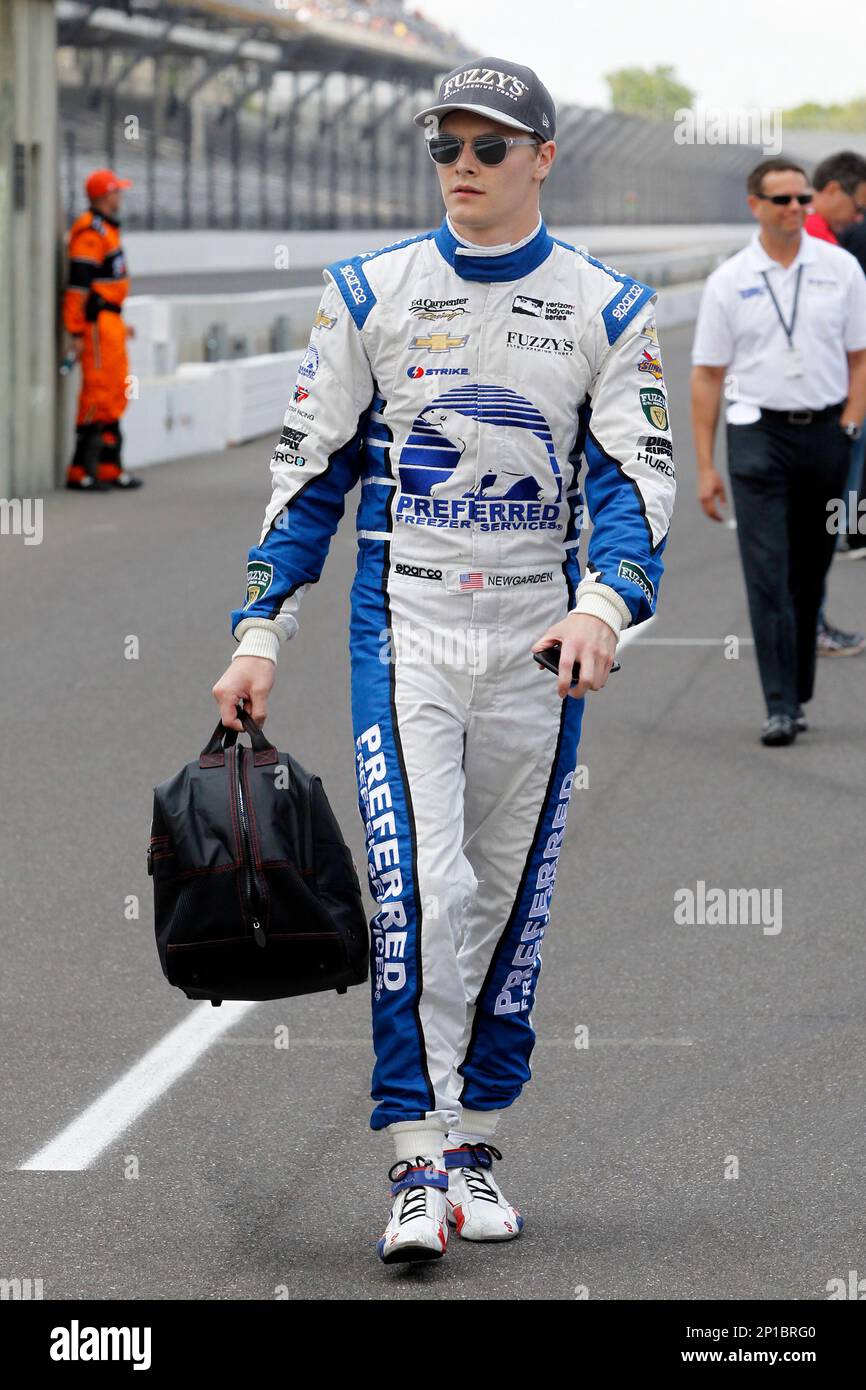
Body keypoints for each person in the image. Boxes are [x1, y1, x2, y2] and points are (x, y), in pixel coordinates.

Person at [212, 55, 676, 1263]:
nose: (461, 168)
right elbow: (307, 477)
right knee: (425, 889)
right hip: (404, 630)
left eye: (486, 147)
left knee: (505, 897)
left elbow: (635, 482)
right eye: (445, 147)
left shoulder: (607, 307)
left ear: (540, 157)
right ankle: (414, 1158)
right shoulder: (366, 290)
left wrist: (602, 607)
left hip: (538, 641)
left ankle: (472, 1140)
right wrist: (260, 631)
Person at [691, 157, 866, 746]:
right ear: (755, 206)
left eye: (803, 198)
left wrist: (848, 424)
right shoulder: (730, 279)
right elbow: (708, 374)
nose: (796, 208)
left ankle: (797, 688)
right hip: (756, 437)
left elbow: (860, 357)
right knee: (767, 571)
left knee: (808, 573)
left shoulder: (841, 270)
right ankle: (780, 704)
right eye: (783, 200)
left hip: (824, 434)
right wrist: (707, 465)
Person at [802, 151, 866, 649]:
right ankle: (809, 627)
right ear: (836, 192)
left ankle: (806, 626)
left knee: (811, 530)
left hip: (821, 404)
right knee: (813, 530)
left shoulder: (820, 240)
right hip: (828, 407)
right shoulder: (822, 246)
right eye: (858, 206)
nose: (859, 217)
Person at [62, 168, 143, 490]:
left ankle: (110, 467)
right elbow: (78, 288)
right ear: (103, 195)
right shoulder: (90, 233)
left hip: (110, 323)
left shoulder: (106, 230)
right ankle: (80, 470)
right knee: (97, 394)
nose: (120, 196)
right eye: (116, 191)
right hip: (96, 326)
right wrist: (76, 331)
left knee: (115, 391)